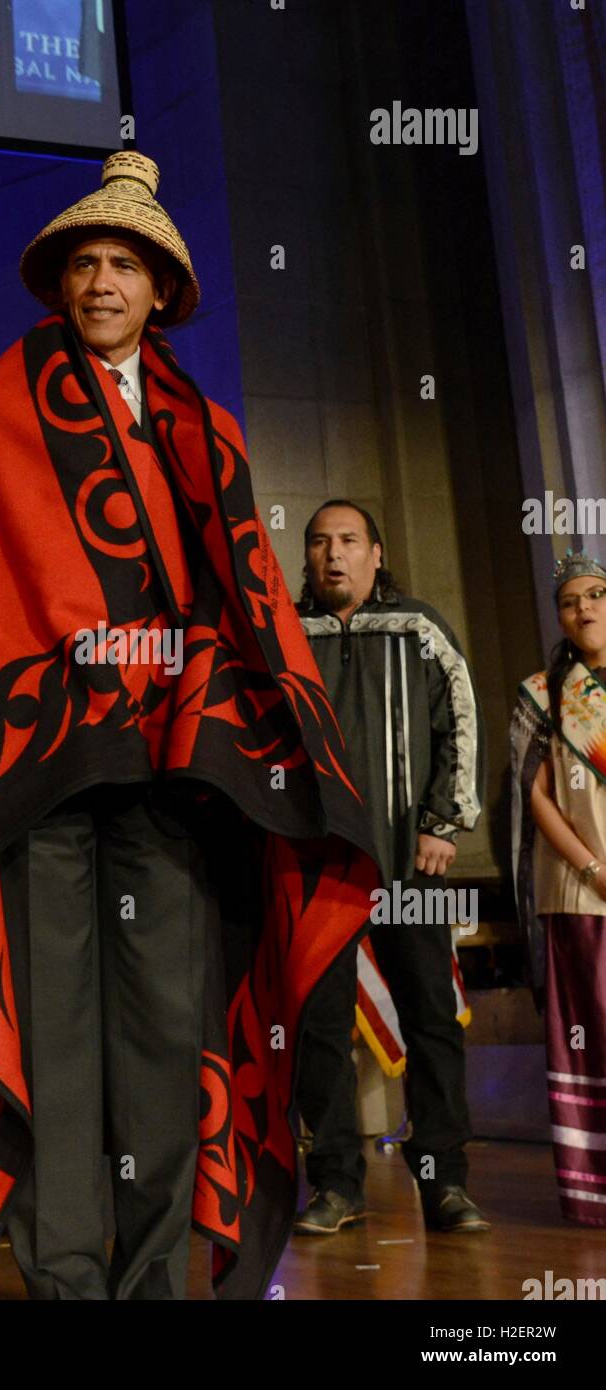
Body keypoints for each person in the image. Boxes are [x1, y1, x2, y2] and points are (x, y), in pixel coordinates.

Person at [0, 152, 380, 1302]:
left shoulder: (206, 427)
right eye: (85, 263)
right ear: (61, 285)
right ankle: (64, 1274)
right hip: (45, 773)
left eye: (124, 264)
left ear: (163, 289)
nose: (102, 280)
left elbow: (243, 594)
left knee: (165, 1034)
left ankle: (155, 1276)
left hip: (173, 767)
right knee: (52, 1039)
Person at [294, 500, 489, 1234]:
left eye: (346, 541)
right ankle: (337, 1185)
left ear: (376, 553)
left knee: (431, 1018)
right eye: (317, 543)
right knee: (318, 1028)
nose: (331, 554)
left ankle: (443, 1182)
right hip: (322, 868)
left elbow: (460, 722)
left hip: (417, 866)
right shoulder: (284, 637)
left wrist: (443, 824)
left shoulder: (419, 627)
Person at [511, 550, 606, 1228]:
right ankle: (594, 1188)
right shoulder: (541, 691)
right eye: (570, 600)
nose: (585, 608)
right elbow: (536, 796)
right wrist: (594, 869)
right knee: (593, 1032)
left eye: (596, 594)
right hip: (578, 892)